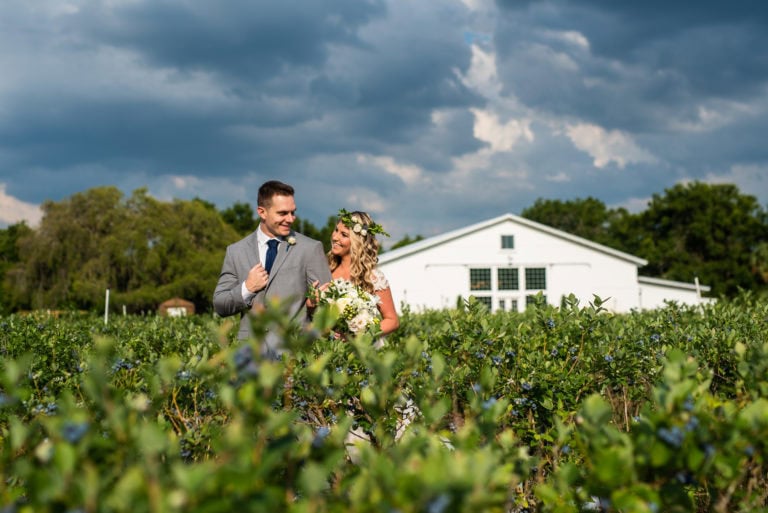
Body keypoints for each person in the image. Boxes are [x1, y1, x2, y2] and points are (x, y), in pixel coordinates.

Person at [213, 180, 332, 357]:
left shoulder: (310, 248)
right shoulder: (236, 251)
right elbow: (220, 305)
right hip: (249, 358)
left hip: (294, 355)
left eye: (293, 212)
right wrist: (247, 288)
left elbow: (330, 308)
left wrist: (313, 307)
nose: (290, 219)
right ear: (262, 212)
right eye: (283, 213)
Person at [309, 209, 399, 340]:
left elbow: (392, 321)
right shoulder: (324, 269)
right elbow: (312, 317)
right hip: (325, 348)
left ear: (357, 242)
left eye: (344, 235)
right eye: (336, 230)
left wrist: (360, 335)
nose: (335, 237)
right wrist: (311, 305)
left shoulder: (372, 277)